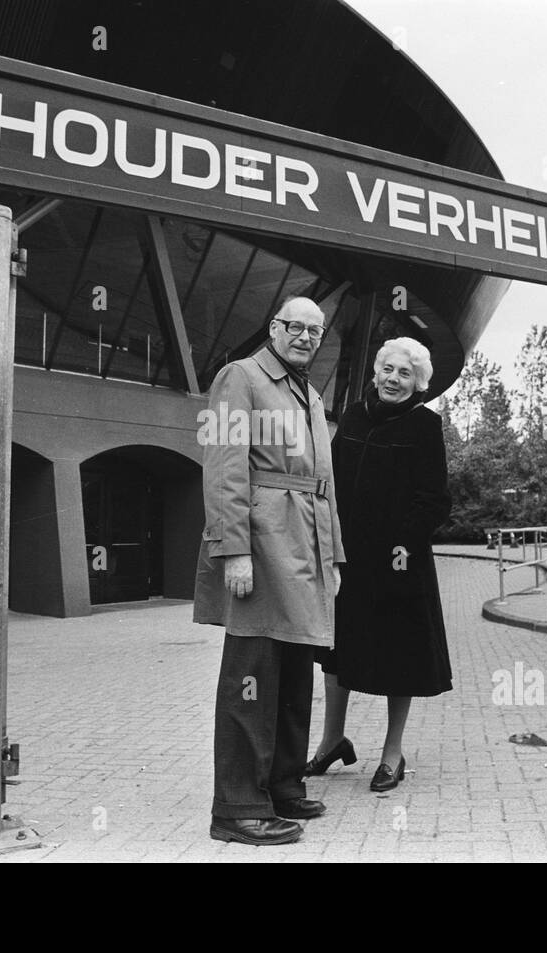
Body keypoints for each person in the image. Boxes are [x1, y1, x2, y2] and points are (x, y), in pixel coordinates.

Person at [193, 297, 345, 846]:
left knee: (294, 665)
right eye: (294, 327)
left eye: (314, 330)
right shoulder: (240, 377)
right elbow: (223, 463)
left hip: (305, 544)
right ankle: (236, 808)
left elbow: (322, 483)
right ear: (273, 327)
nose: (304, 336)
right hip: (261, 542)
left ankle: (282, 783)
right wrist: (232, 549)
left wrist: (334, 556)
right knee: (252, 672)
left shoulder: (309, 392)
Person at [306, 337, 452, 792]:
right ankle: (333, 741)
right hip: (349, 558)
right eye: (387, 369)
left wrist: (402, 545)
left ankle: (392, 754)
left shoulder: (424, 425)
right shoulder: (352, 417)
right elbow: (328, 480)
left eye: (403, 373)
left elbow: (434, 500)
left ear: (417, 383)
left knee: (399, 652)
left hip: (397, 560)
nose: (392, 379)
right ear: (375, 373)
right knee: (335, 651)